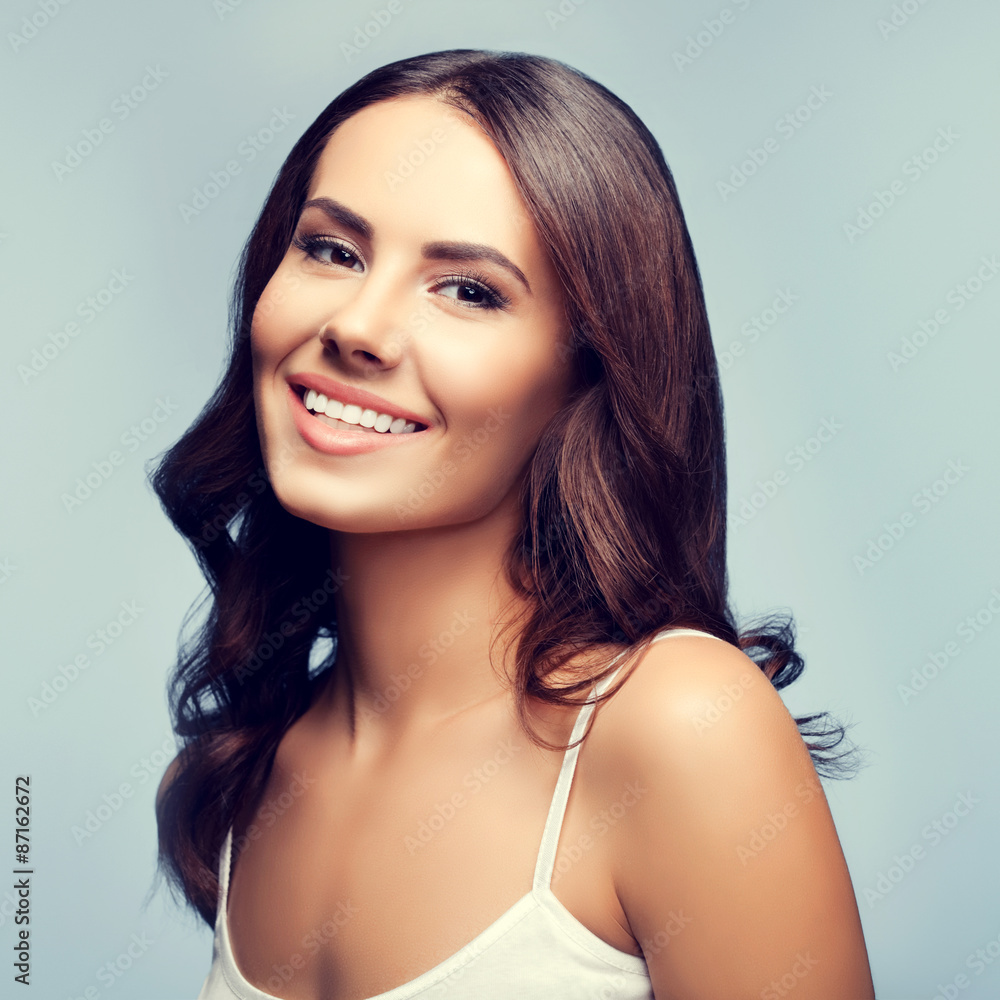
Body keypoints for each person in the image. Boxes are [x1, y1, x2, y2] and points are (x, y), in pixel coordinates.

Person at [153, 48, 876, 1000]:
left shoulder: (675, 727)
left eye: (469, 290)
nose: (359, 326)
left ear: (583, 376)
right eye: (332, 249)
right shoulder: (233, 782)